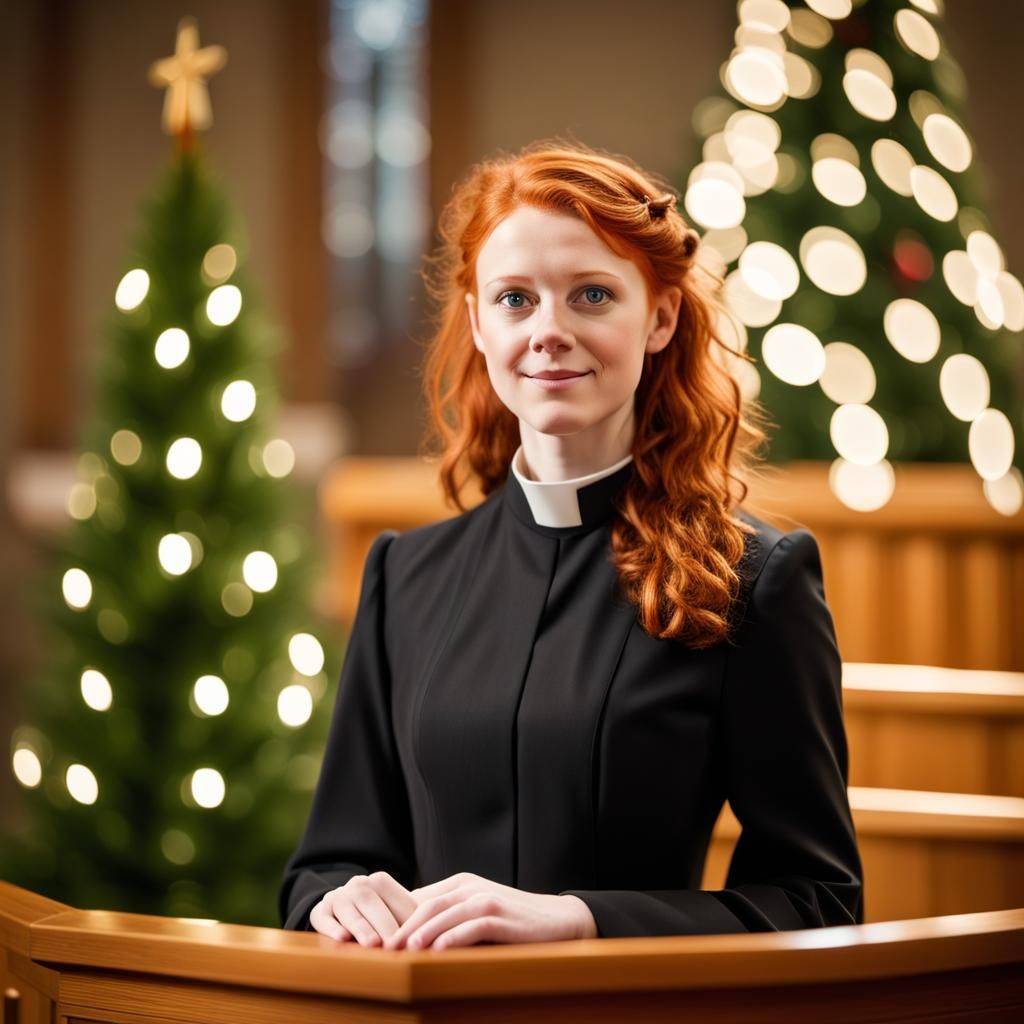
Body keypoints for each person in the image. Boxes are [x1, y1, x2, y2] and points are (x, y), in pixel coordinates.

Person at [279, 140, 864, 950]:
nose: (548, 331)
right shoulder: (404, 576)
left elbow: (816, 898)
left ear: (659, 317)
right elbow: (329, 862)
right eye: (515, 299)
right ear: (479, 322)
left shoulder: (753, 580)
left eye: (591, 294)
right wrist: (336, 900)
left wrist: (583, 918)